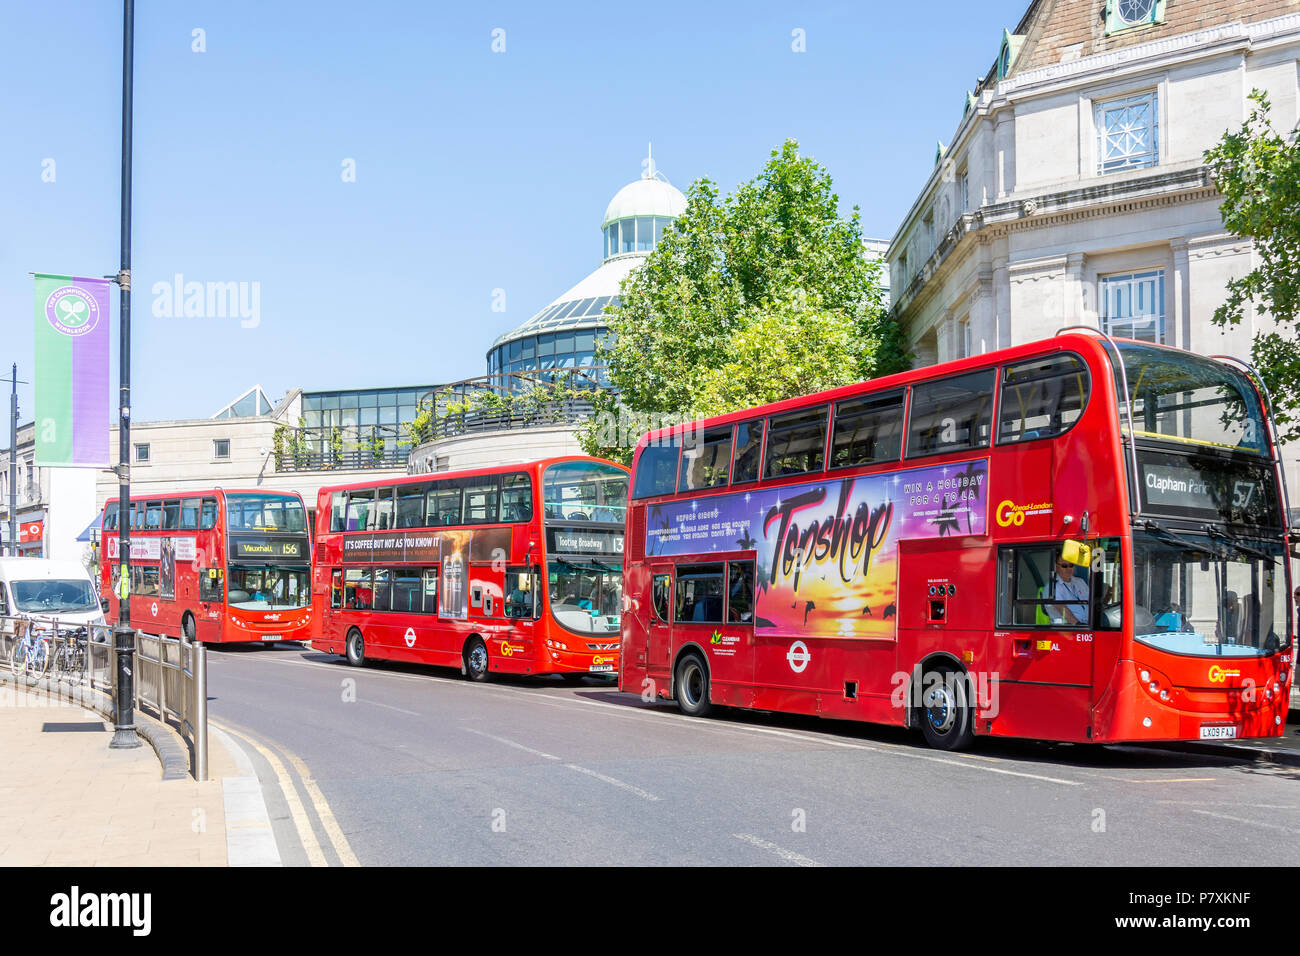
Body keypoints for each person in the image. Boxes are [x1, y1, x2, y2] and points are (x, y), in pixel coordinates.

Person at [1050, 558, 1089, 625]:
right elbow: (1060, 607)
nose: (1069, 569)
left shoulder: (1080, 581)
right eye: (1064, 566)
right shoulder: (1054, 586)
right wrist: (1077, 624)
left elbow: (1091, 600)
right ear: (1056, 567)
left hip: (1088, 624)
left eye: (1071, 565)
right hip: (1070, 628)